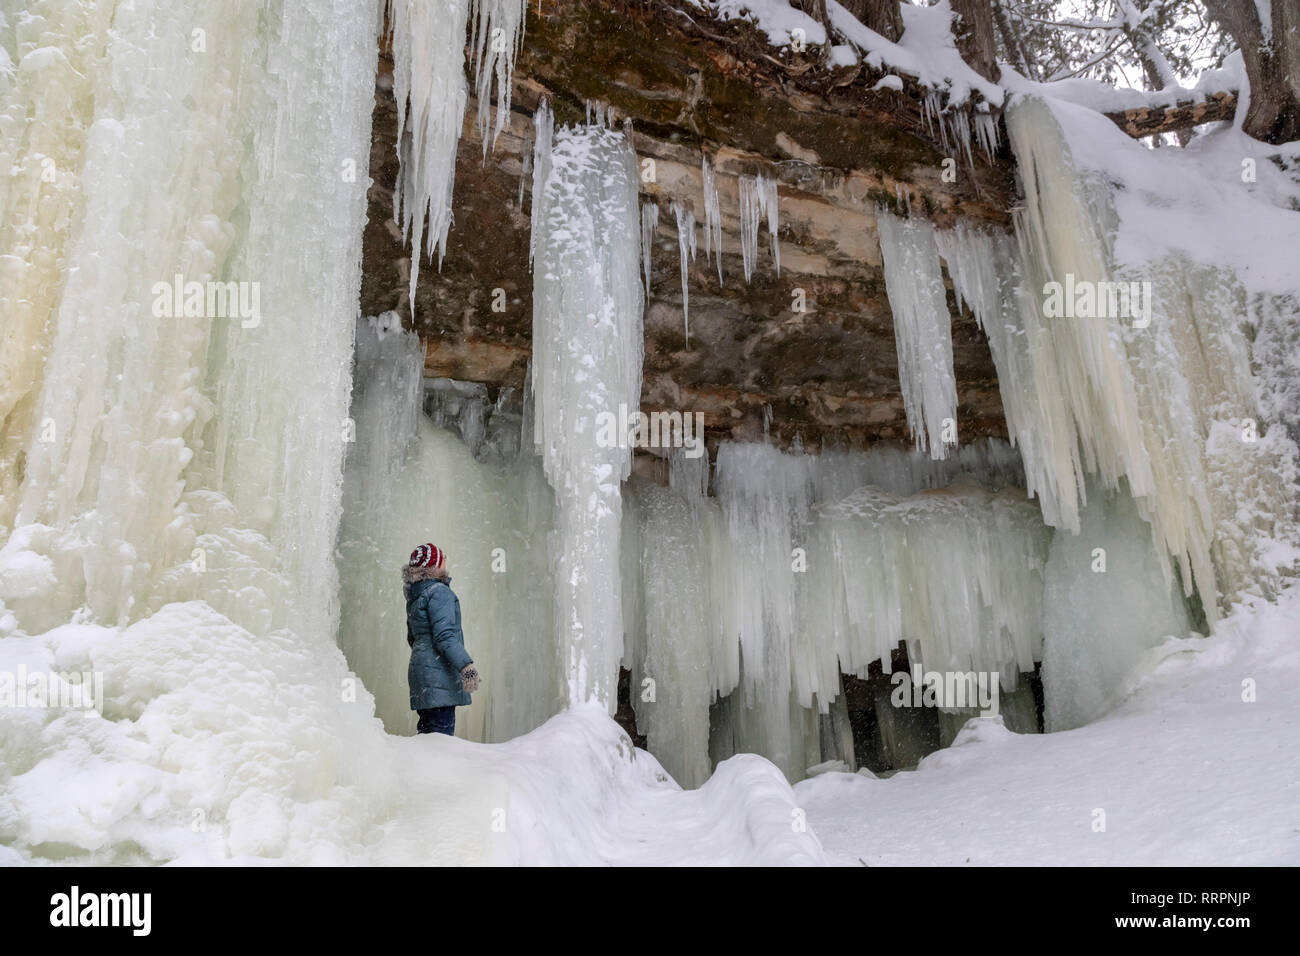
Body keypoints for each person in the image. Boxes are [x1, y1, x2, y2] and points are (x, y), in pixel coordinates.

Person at [403, 543, 480, 735]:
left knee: (428, 734)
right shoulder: (439, 592)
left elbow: (413, 638)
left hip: (420, 675)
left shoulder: (416, 595)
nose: (446, 559)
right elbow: (444, 636)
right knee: (440, 740)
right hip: (439, 678)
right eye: (442, 556)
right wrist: (466, 667)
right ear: (434, 565)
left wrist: (426, 662)